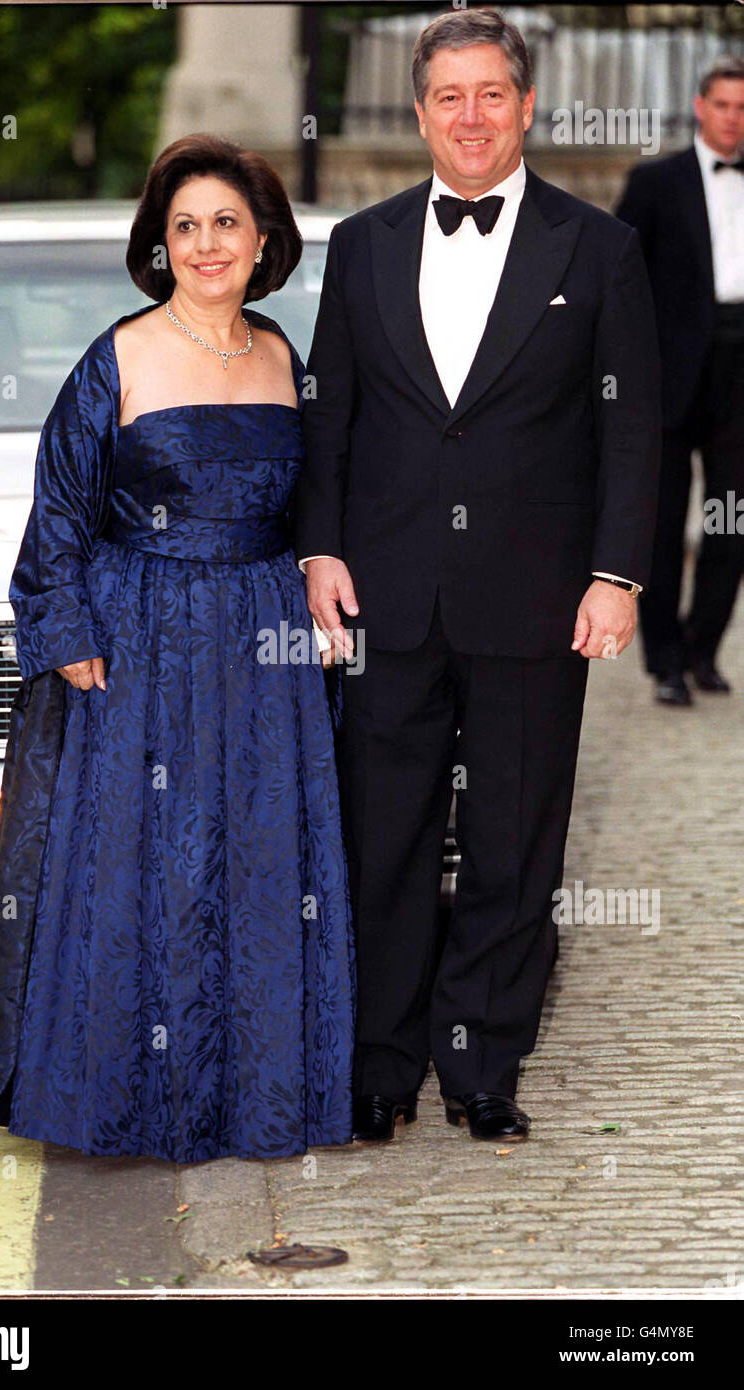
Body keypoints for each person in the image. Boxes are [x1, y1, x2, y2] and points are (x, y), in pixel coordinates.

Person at [295, 8, 661, 1144]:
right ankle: (378, 1065)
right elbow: (329, 417)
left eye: (489, 94)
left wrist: (615, 576)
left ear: (525, 105)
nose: (469, 117)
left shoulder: (596, 248)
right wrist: (318, 548)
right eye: (447, 97)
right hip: (385, 595)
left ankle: (482, 1063)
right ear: (417, 114)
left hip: (534, 598)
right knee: (384, 838)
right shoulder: (358, 244)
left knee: (510, 845)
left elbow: (634, 431)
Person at [0, 135, 355, 1163]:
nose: (205, 243)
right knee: (145, 865)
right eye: (184, 226)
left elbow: (322, 495)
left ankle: (252, 1101)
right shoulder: (121, 354)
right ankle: (126, 1101)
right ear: (159, 245)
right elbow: (60, 507)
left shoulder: (281, 357)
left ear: (263, 237)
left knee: (256, 865)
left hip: (260, 642)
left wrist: (320, 575)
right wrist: (64, 627)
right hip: (139, 634)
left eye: (225, 221)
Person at [616, 57, 744, 705]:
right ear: (700, 107)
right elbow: (620, 282)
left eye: (743, 107)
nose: (733, 118)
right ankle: (663, 660)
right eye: (723, 105)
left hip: (740, 371)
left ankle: (704, 650)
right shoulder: (655, 181)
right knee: (661, 526)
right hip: (670, 375)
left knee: (731, 523)